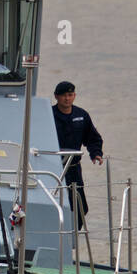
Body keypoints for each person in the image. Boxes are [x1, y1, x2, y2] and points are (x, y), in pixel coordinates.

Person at [51, 81, 103, 230]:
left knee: (81, 207)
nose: (67, 99)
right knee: (57, 202)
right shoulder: (49, 114)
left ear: (74, 96)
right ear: (56, 96)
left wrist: (96, 154)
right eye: (63, 96)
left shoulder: (82, 115)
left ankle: (72, 234)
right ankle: (57, 231)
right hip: (53, 168)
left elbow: (93, 138)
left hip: (74, 168)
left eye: (70, 95)